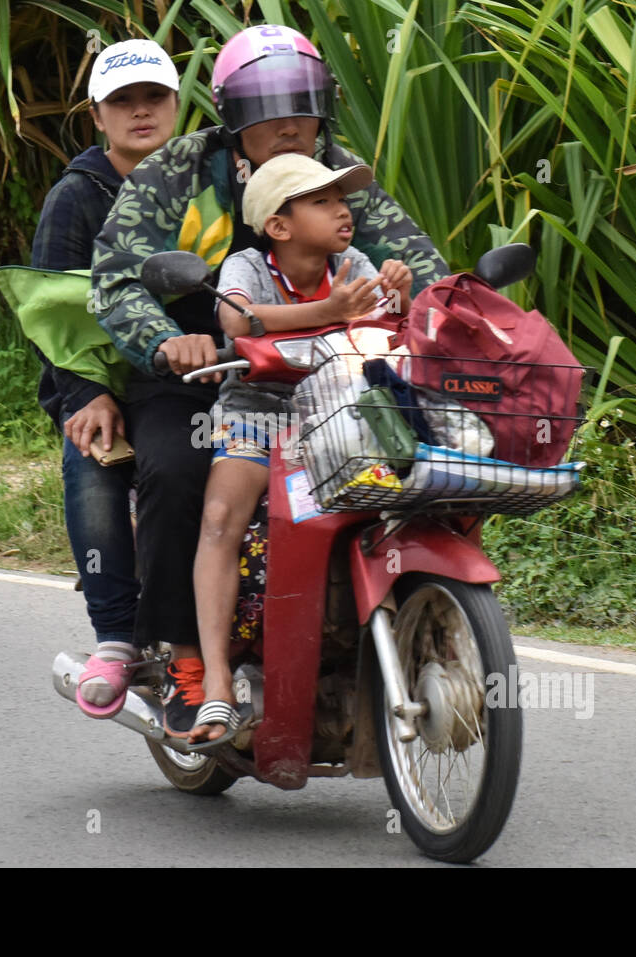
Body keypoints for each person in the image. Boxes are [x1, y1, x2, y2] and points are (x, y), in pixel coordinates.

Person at [91, 24, 449, 737]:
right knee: (176, 472)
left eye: (303, 105)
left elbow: (421, 267)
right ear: (232, 119)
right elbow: (117, 278)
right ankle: (190, 662)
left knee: (414, 466)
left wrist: (434, 314)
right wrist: (169, 342)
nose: (287, 124)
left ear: (326, 110)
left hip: (324, 374)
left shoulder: (340, 180)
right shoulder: (180, 171)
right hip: (203, 369)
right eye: (264, 109)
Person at [187, 153, 415, 742]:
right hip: (258, 415)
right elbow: (236, 320)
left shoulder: (355, 262)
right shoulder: (247, 264)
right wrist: (328, 311)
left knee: (417, 492)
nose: (343, 210)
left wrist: (402, 297)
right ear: (279, 226)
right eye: (322, 201)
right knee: (220, 518)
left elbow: (387, 328)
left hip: (344, 412)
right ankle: (216, 683)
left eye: (343, 199)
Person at [30, 38, 179, 718]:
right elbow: (52, 313)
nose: (140, 112)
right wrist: (86, 394)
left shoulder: (209, 183)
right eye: (124, 101)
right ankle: (116, 635)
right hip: (103, 382)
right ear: (97, 115)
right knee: (94, 462)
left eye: (154, 98)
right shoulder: (77, 198)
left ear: (178, 105)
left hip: (199, 375)